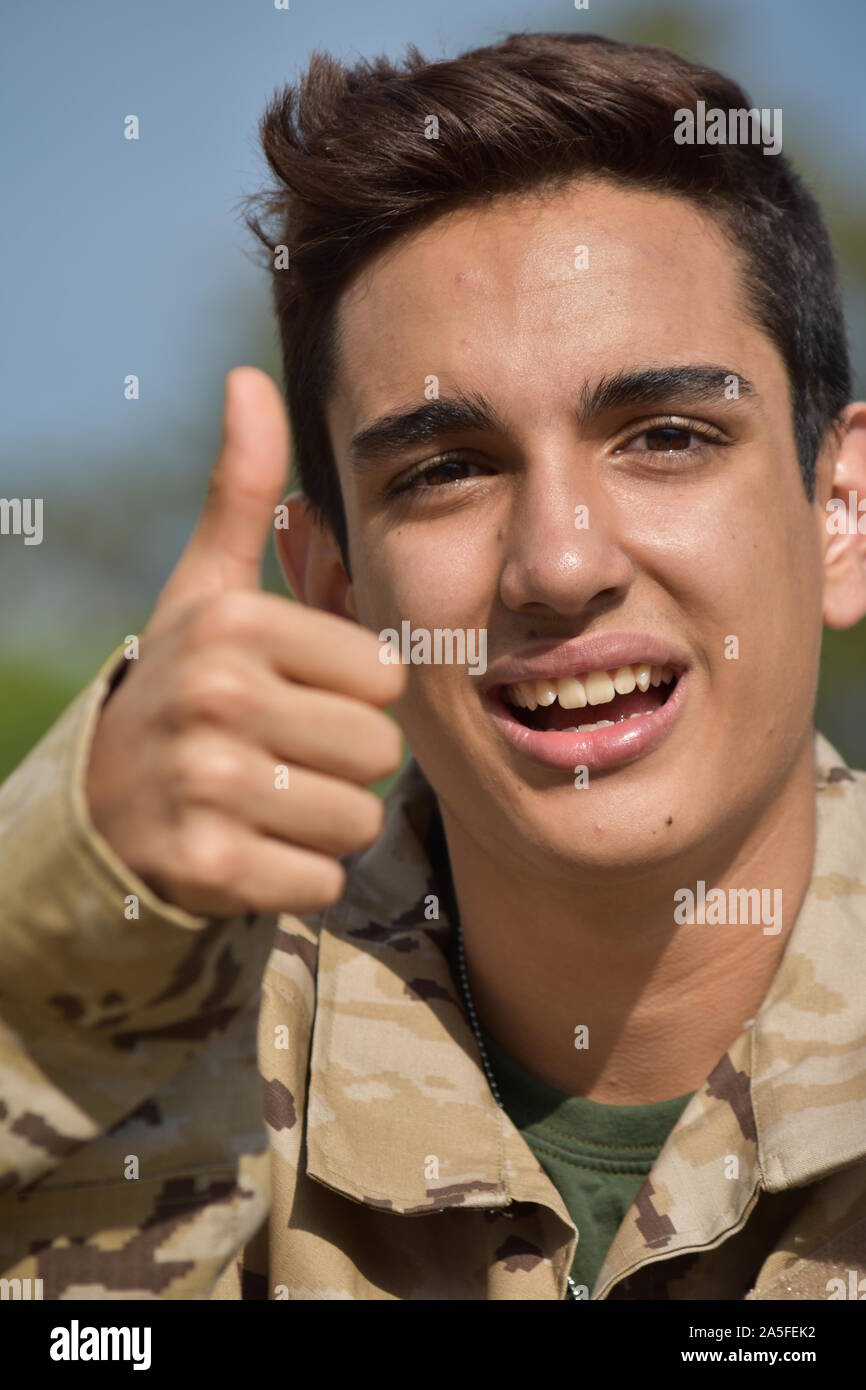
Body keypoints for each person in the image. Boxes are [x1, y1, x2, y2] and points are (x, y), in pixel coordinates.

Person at [2, 31, 865, 1301]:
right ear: (338, 591)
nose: (559, 563)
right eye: (445, 468)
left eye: (666, 435)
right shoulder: (163, 1067)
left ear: (837, 508)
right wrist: (61, 917)